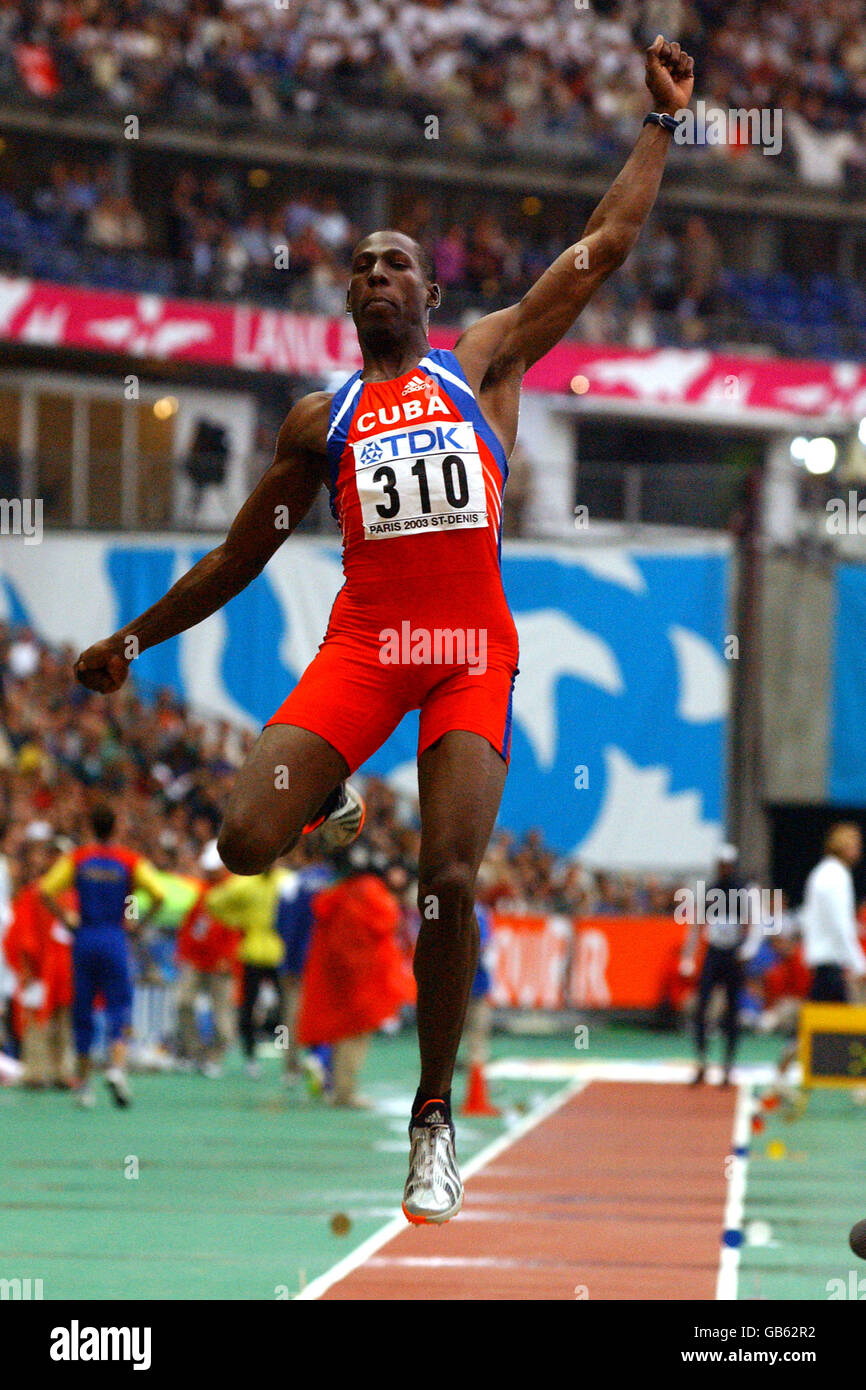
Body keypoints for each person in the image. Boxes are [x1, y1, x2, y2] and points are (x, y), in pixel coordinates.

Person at [72, 35, 696, 1222]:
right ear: (345, 297)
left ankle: (429, 1118)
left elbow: (605, 245)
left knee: (447, 874)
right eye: (356, 264)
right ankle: (325, 791)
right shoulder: (321, 419)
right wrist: (134, 643)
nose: (371, 273)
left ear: (429, 292)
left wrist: (662, 123)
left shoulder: (485, 361)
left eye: (393, 262)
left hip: (468, 650)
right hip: (367, 646)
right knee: (242, 841)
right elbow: (239, 555)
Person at [38, 804, 166, 1108]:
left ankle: (83, 1086)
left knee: (82, 1010)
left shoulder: (77, 859)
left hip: (84, 937)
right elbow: (159, 895)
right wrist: (139, 923)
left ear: (90, 827)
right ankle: (116, 1068)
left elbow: (45, 890)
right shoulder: (130, 860)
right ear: (116, 828)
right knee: (118, 1006)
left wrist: (66, 917)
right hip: (114, 938)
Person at [296, 845, 414, 1108]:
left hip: (335, 977)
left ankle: (333, 1083)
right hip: (362, 979)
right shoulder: (371, 892)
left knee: (337, 1033)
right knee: (355, 1035)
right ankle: (345, 1092)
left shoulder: (336, 893)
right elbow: (385, 923)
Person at [680, 845, 761, 1086]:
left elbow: (756, 923)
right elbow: (696, 925)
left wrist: (747, 951)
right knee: (701, 1007)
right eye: (721, 864)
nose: (724, 869)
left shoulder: (744, 891)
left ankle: (728, 1065)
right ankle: (702, 1061)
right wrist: (688, 956)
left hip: (733, 954)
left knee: (732, 1011)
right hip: (714, 952)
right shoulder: (711, 890)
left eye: (728, 864)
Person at [203, 862, 287, 1079]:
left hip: (278, 951)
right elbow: (214, 901)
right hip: (254, 952)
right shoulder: (245, 884)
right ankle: (251, 1057)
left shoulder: (286, 881)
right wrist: (237, 921)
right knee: (248, 1008)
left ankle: (288, 1055)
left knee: (285, 1007)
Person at [174, 839, 240, 1078]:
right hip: (195, 959)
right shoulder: (201, 890)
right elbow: (189, 924)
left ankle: (215, 1057)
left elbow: (238, 929)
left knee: (223, 1020)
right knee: (182, 1002)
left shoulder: (235, 891)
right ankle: (194, 1053)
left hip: (221, 963)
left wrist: (228, 957)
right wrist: (182, 954)